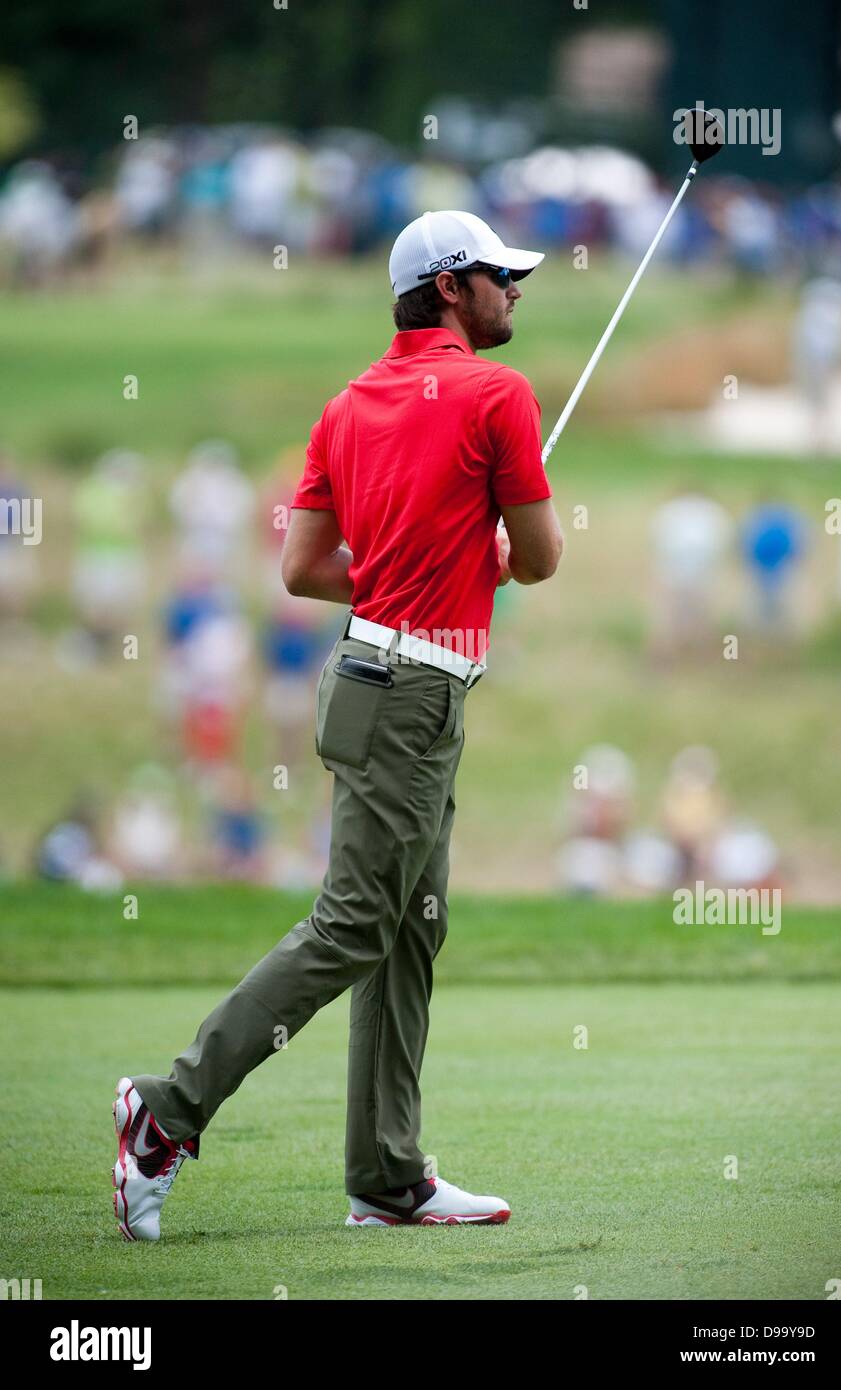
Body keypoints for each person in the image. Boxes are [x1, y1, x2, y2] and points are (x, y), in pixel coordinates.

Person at [112, 210, 562, 1238]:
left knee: (411, 930)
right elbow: (537, 561)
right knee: (358, 922)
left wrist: (422, 564)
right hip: (411, 692)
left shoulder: (348, 402)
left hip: (368, 678)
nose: (516, 289)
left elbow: (307, 568)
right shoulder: (499, 394)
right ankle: (164, 1112)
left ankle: (386, 1175)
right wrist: (484, 553)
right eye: (500, 275)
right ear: (451, 287)